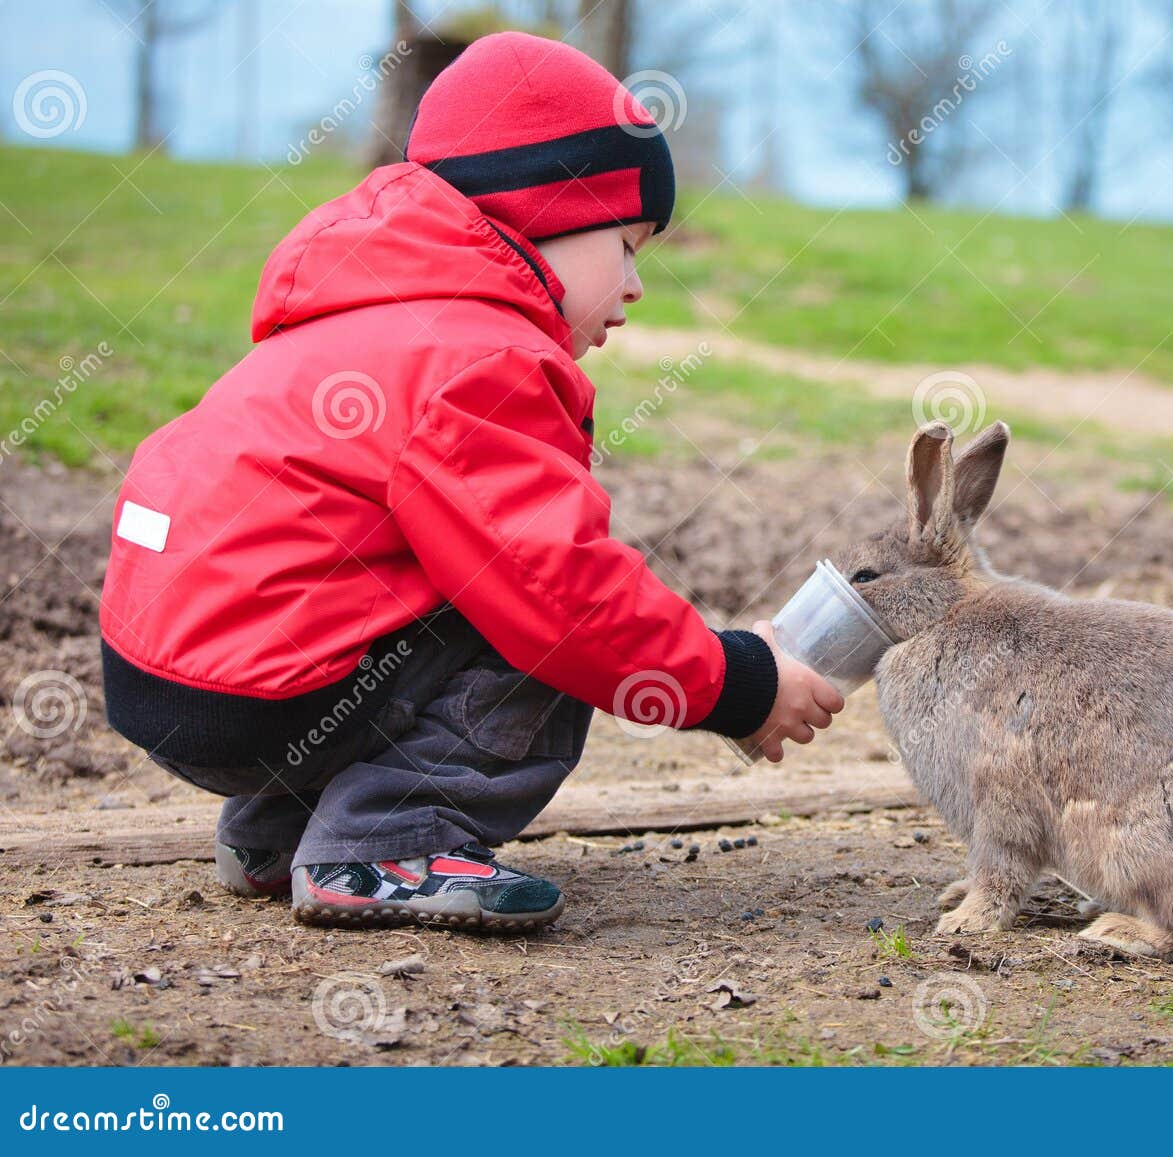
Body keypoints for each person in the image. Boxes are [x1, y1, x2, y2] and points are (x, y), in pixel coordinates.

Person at [97, 32, 843, 933]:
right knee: (540, 621)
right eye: (628, 243)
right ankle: (382, 843)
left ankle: (277, 831)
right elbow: (564, 592)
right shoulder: (485, 357)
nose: (638, 286)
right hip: (262, 695)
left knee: (419, 583)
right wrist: (739, 682)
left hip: (162, 678)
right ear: (542, 213)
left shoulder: (365, 310)